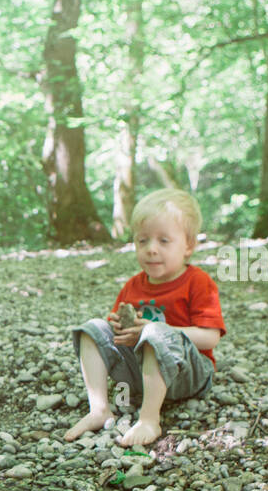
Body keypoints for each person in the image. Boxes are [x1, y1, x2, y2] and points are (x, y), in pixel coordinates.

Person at [64, 188, 226, 449]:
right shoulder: (133, 285)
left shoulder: (198, 282)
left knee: (155, 332)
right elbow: (114, 334)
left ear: (189, 245)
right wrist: (118, 329)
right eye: (142, 241)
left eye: (164, 241)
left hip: (188, 376)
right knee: (91, 327)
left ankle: (150, 419)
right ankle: (99, 408)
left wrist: (158, 330)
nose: (151, 249)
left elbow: (210, 337)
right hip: (143, 376)